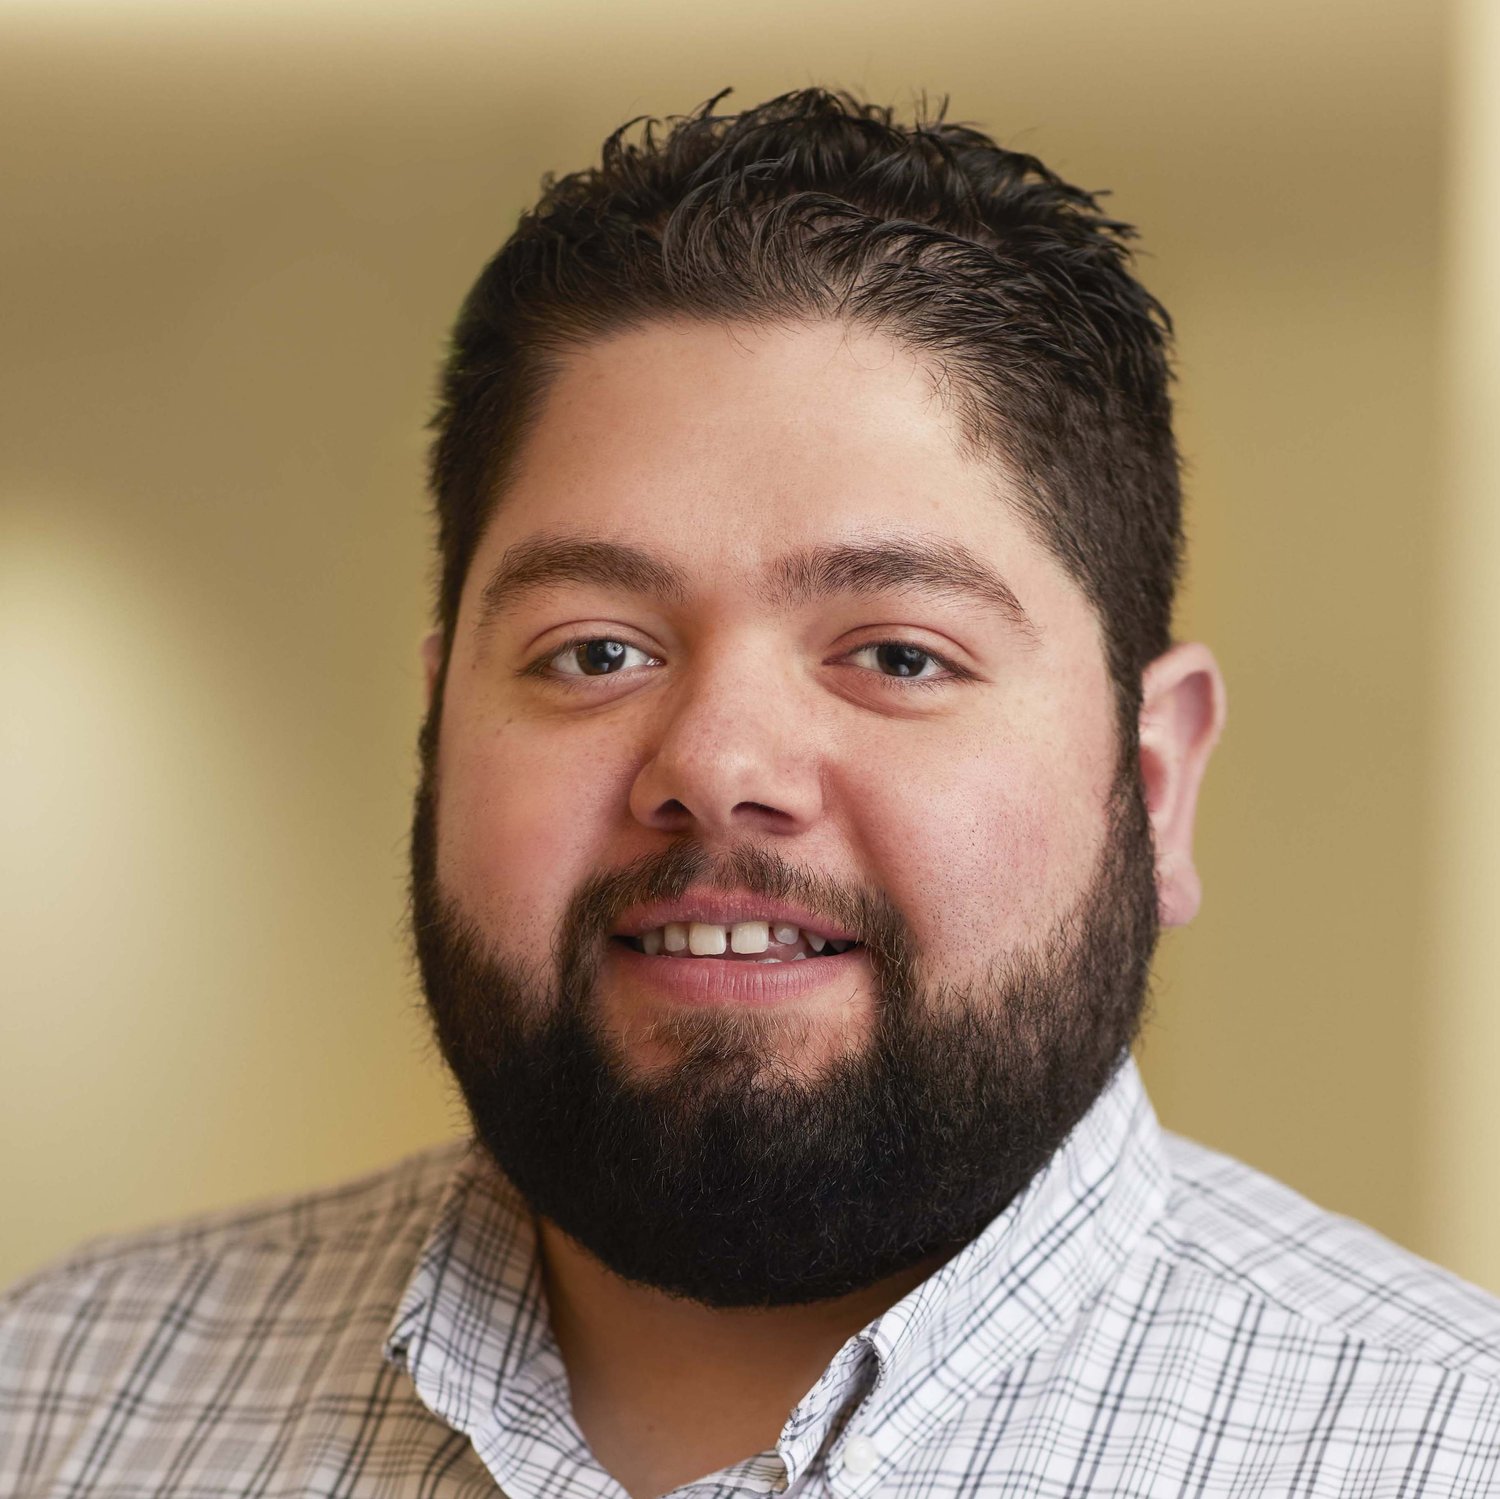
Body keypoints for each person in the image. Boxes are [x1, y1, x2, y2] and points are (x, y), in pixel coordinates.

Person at [3, 86, 1497, 1499]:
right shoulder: (54, 1402)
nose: (716, 767)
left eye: (898, 655)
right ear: (437, 731)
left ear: (1154, 779)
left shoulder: (1444, 1449)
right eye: (594, 652)